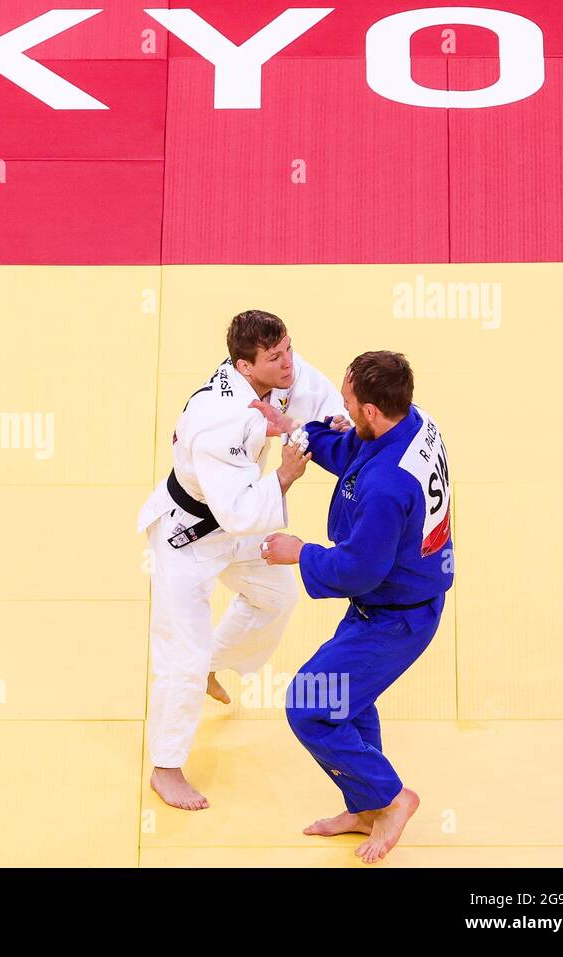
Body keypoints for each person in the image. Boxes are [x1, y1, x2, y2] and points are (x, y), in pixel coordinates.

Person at [138, 309, 345, 810]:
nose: (289, 362)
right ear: (245, 365)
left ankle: (216, 663)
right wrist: (287, 476)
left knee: (276, 596)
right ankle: (166, 768)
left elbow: (319, 401)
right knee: (180, 655)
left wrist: (334, 422)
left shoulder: (274, 373)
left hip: (237, 523)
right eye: (276, 357)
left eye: (289, 349)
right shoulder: (217, 422)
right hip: (188, 535)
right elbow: (238, 511)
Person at [261, 350, 453, 862]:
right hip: (395, 597)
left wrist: (299, 552)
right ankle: (366, 805)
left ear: (371, 409)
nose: (340, 411)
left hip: (397, 616)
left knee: (308, 705)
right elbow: (354, 451)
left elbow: (359, 570)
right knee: (349, 700)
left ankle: (391, 800)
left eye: (348, 403)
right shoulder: (413, 421)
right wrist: (294, 430)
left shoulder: (388, 486)